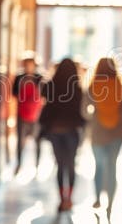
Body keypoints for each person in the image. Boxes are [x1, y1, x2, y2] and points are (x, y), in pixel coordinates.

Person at [39, 58, 87, 212]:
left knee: (60, 165)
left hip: (55, 130)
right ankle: (70, 199)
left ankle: (62, 200)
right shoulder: (77, 88)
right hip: (72, 131)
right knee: (71, 164)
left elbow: (43, 97)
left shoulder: (50, 85)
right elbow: (82, 112)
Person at [87, 58, 122, 218]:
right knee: (113, 167)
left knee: (99, 166)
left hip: (98, 131)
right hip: (116, 133)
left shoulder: (92, 87)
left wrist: (94, 115)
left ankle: (98, 199)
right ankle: (110, 204)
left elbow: (84, 110)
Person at [12, 56, 44, 174]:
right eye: (27, 64)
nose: (29, 67)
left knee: (38, 140)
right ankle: (19, 163)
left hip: (36, 114)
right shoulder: (19, 77)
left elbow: (44, 95)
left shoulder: (40, 78)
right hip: (22, 112)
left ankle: (37, 164)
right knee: (20, 140)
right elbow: (14, 93)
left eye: (31, 64)